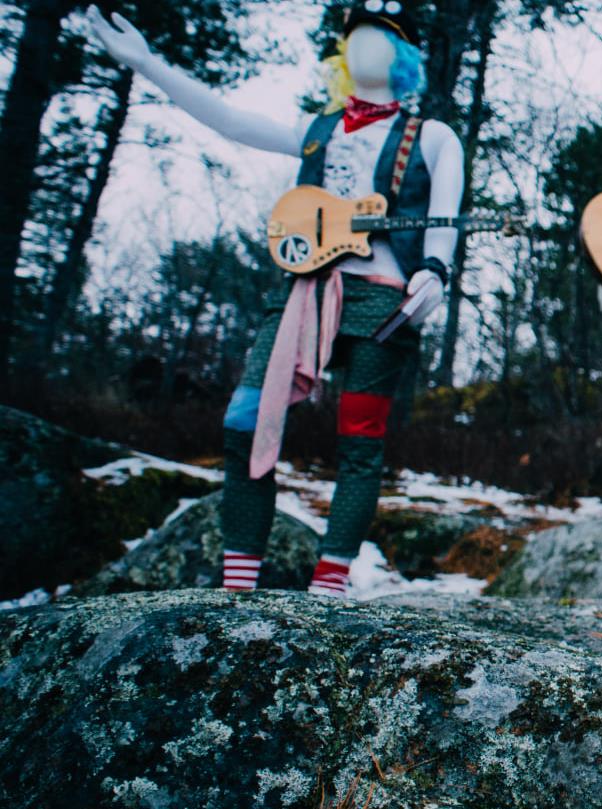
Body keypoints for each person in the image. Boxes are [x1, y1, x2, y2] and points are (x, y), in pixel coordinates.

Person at [87, 0, 466, 597]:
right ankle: (239, 577)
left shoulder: (433, 136)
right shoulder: (316, 130)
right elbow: (232, 122)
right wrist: (148, 63)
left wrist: (438, 272)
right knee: (242, 420)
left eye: (381, 36)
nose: (363, 46)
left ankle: (332, 578)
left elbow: (445, 215)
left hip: (385, 296)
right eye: (355, 37)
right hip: (303, 294)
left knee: (360, 437)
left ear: (405, 55)